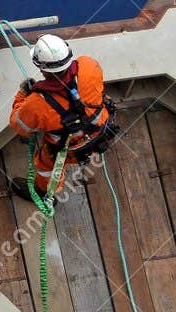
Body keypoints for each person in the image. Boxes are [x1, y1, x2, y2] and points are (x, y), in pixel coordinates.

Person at [7, 34, 116, 200]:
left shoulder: (37, 104)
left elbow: (20, 127)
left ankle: (44, 193)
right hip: (101, 132)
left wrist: (22, 96)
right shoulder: (89, 65)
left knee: (46, 166)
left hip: (68, 150)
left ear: (41, 68)